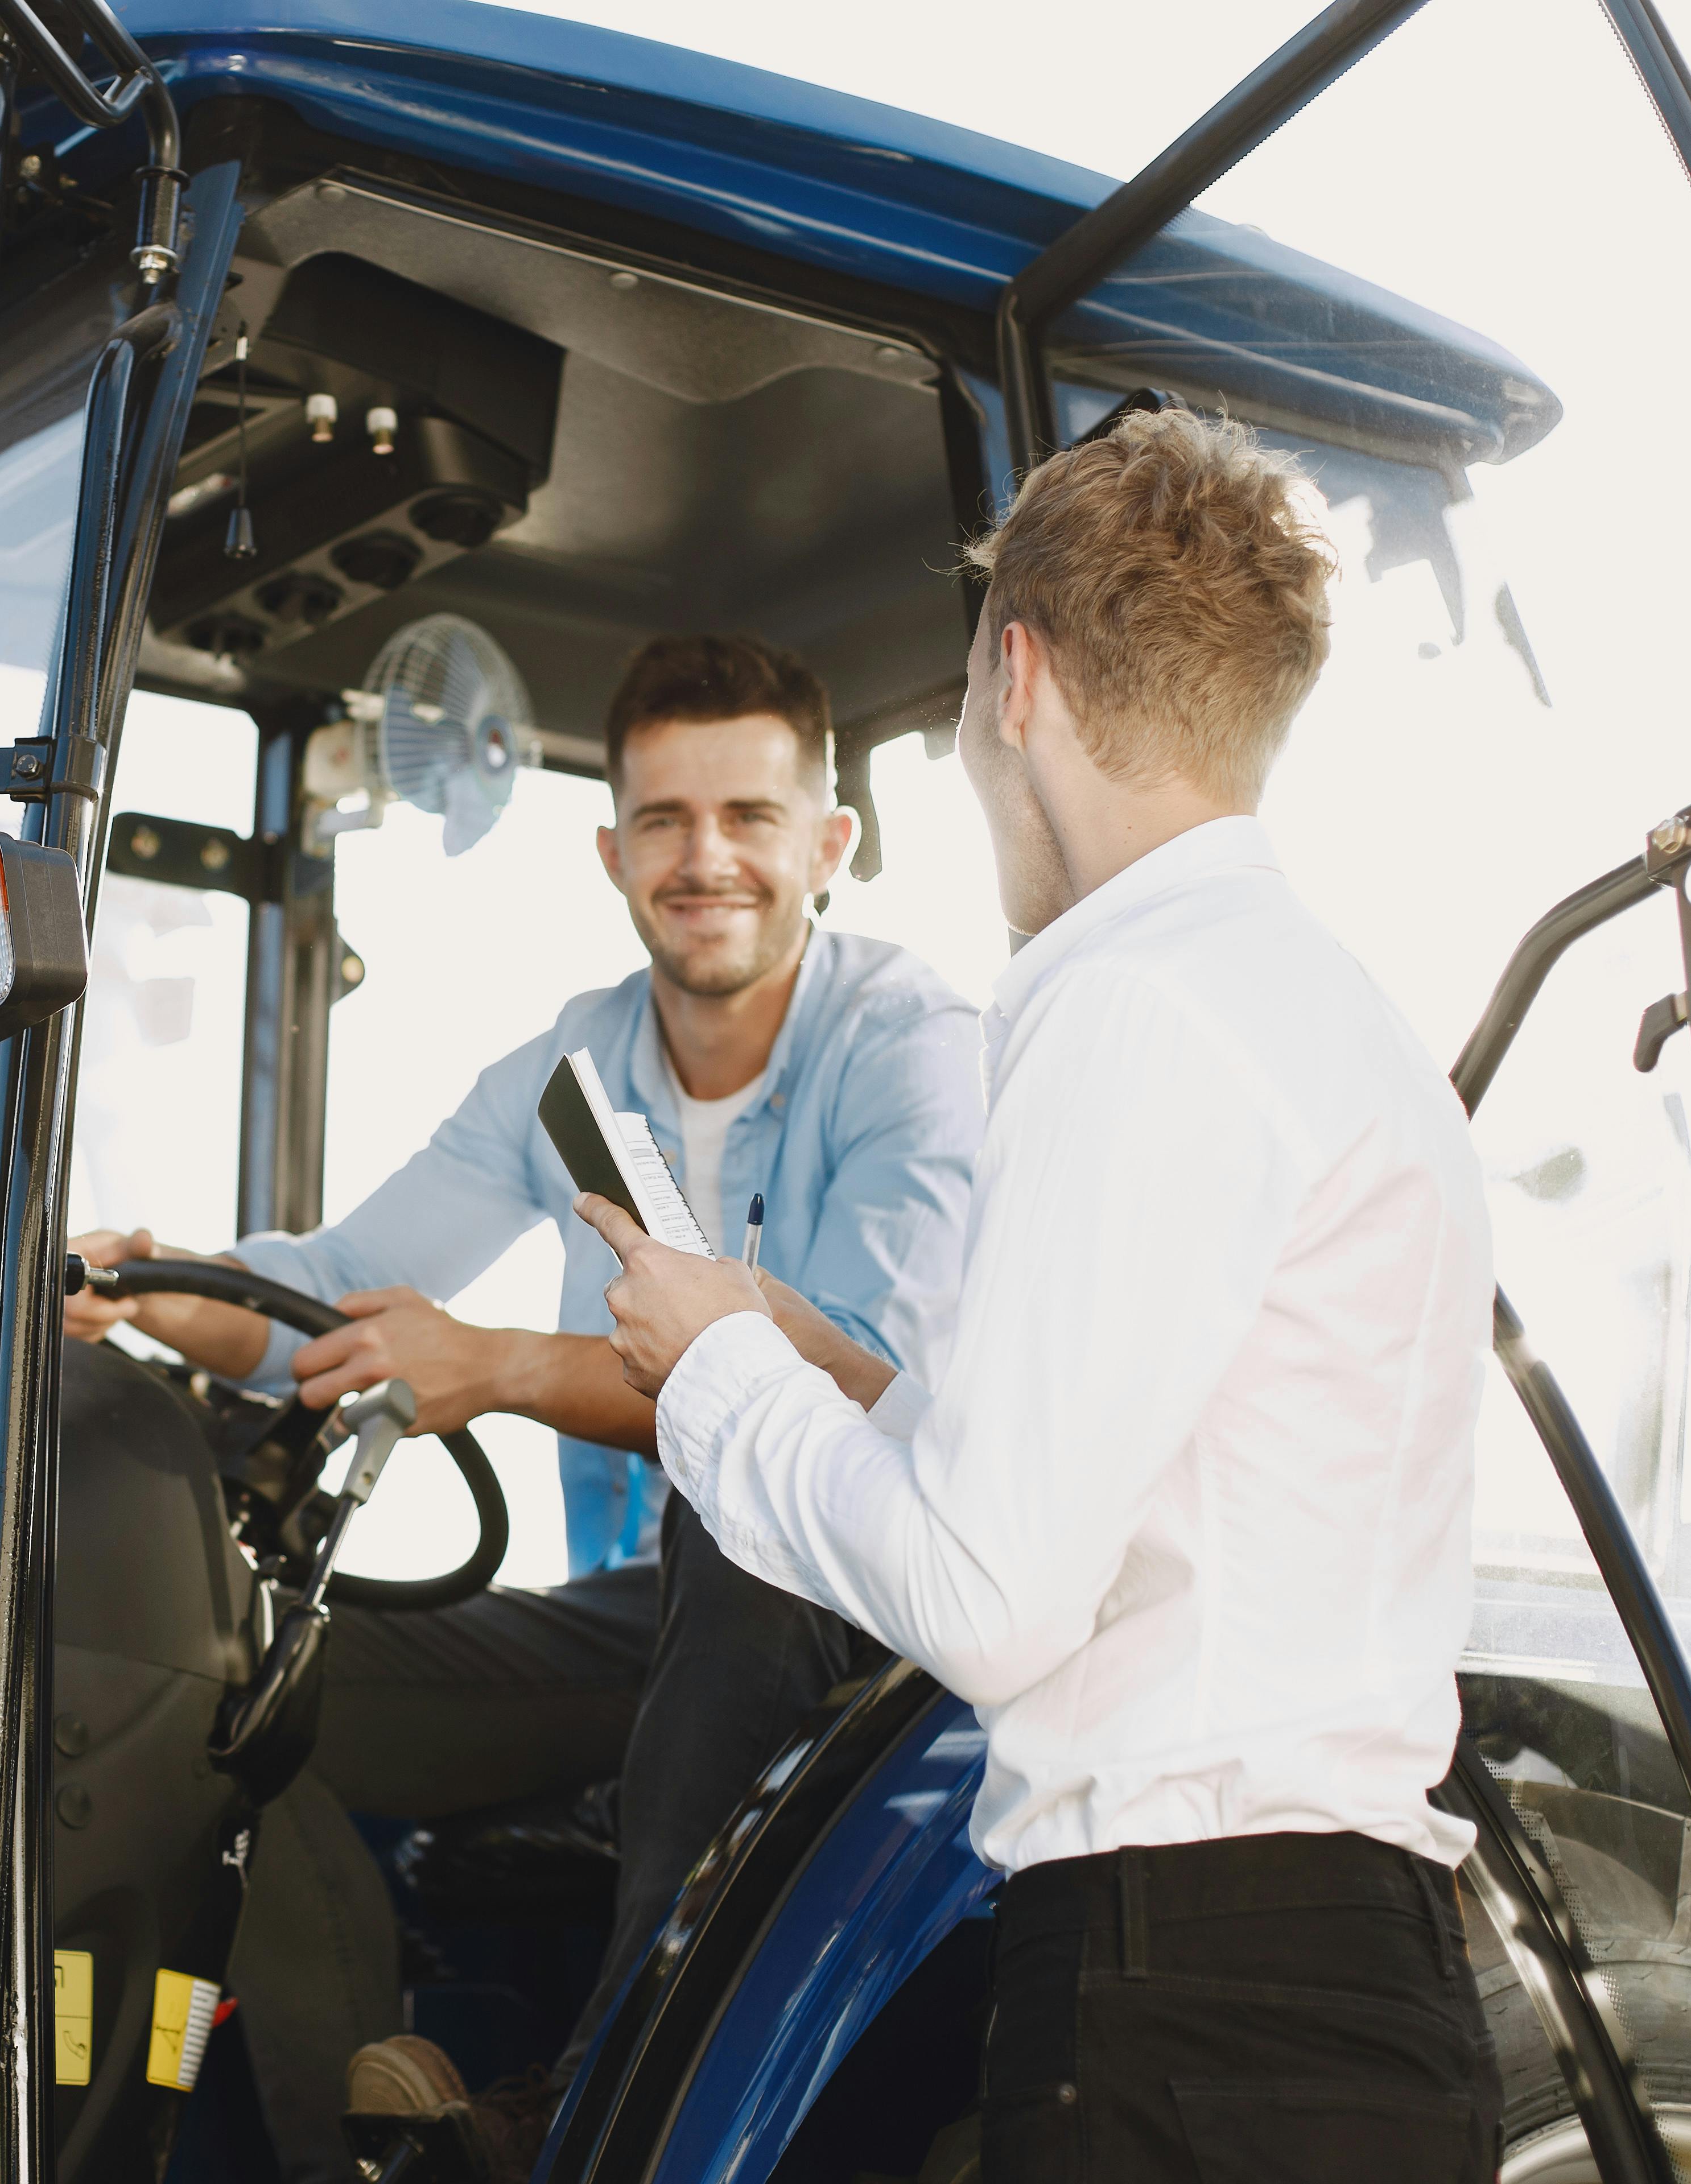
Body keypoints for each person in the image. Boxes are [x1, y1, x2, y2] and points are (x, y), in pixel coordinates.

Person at [584, 408, 1501, 2182]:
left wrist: (711, 1375)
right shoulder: (1311, 1006)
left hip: (1182, 2006)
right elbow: (1142, 1495)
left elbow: (988, 1602)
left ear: (1016, 680)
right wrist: (828, 1369)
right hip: (1320, 1992)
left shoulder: (1131, 999)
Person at [65, 633, 984, 2182]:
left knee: (751, 1534)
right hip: (641, 1621)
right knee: (243, 1697)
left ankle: (596, 2117)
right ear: (613, 848)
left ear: (828, 846)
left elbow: (853, 1397)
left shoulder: (910, 1054)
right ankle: (348, 2156)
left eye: (750, 818)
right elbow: (347, 1287)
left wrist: (498, 1367)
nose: (708, 861)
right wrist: (144, 1285)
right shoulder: (575, 1065)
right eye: (667, 822)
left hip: (868, 1618)